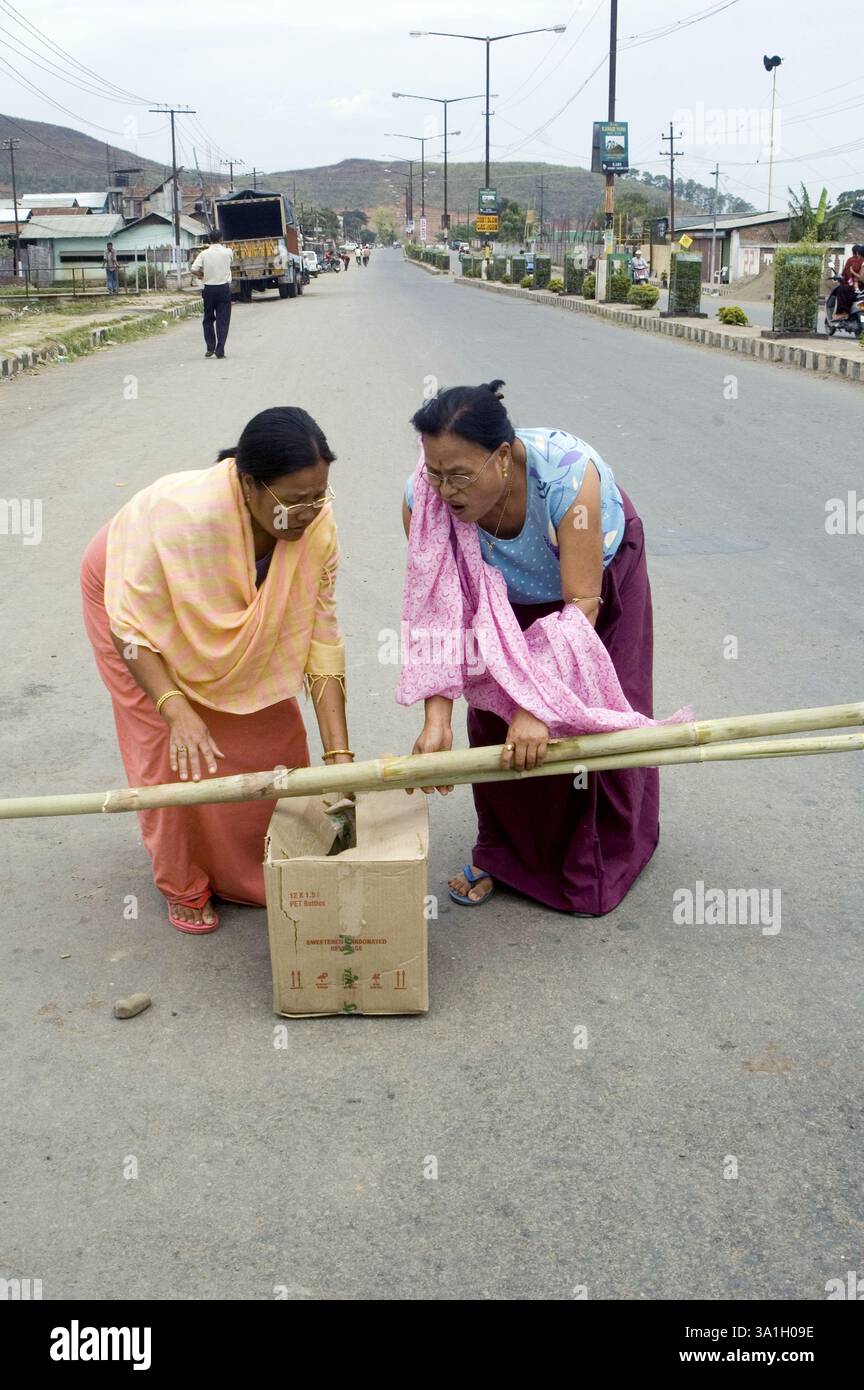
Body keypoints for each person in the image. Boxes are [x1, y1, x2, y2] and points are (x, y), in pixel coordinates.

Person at [398, 381, 689, 916]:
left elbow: (582, 603)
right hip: (502, 594)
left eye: (460, 475)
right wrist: (435, 720)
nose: (446, 491)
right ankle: (502, 853)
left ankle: (604, 855)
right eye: (435, 473)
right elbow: (441, 609)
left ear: (503, 458)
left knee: (595, 712)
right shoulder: (424, 500)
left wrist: (537, 705)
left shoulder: (567, 476)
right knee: (495, 722)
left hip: (590, 587)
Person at [81, 407, 351, 933]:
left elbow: (320, 636)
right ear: (249, 484)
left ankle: (257, 868)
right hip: (123, 598)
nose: (310, 512)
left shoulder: (316, 525)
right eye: (295, 501)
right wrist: (175, 706)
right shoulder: (182, 517)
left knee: (269, 737)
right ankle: (182, 880)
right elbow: (130, 628)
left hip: (208, 613)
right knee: (170, 746)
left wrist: (339, 758)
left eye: (320, 497)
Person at [190, 230, 234, 359]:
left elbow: (193, 269)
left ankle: (210, 347)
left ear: (209, 239)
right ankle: (220, 350)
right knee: (223, 320)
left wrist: (202, 275)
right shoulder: (228, 252)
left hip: (209, 289)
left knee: (208, 319)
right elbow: (230, 262)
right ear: (221, 239)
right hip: (223, 289)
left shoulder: (204, 254)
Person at [832, 244, 864, 317]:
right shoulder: (861, 262)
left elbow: (847, 273)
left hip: (856, 286)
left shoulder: (851, 260)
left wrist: (852, 273)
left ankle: (843, 312)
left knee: (841, 290)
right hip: (858, 286)